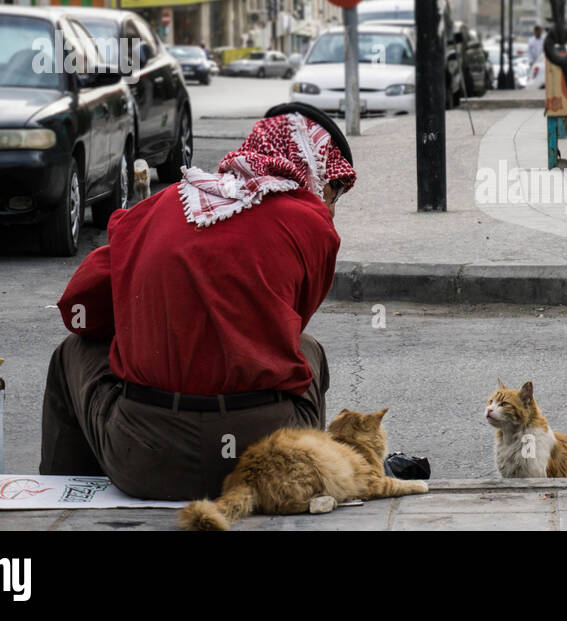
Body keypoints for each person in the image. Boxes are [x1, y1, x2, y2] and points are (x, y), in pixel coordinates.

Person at [40, 105, 356, 500]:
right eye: (334, 192)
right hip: (262, 463)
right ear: (319, 177)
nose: (330, 204)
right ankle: (300, 481)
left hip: (146, 462)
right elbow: (291, 323)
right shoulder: (312, 226)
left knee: (72, 352)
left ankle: (54, 498)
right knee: (309, 350)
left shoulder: (162, 204)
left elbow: (80, 305)